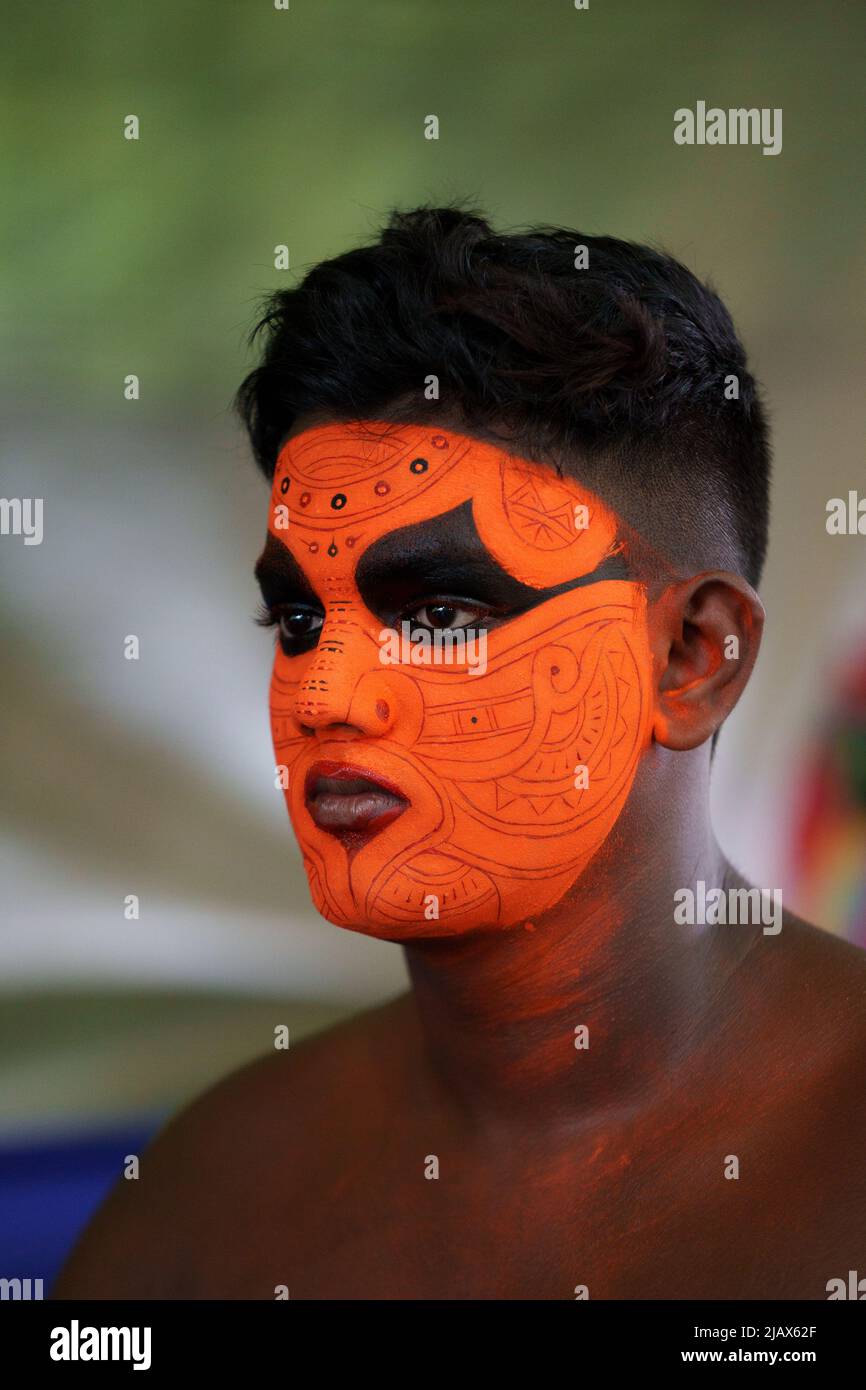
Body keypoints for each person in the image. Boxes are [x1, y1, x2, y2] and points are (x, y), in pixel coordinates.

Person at [52, 206, 866, 1300]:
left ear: (691, 657)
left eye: (437, 611)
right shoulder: (204, 1197)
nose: (323, 691)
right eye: (297, 622)